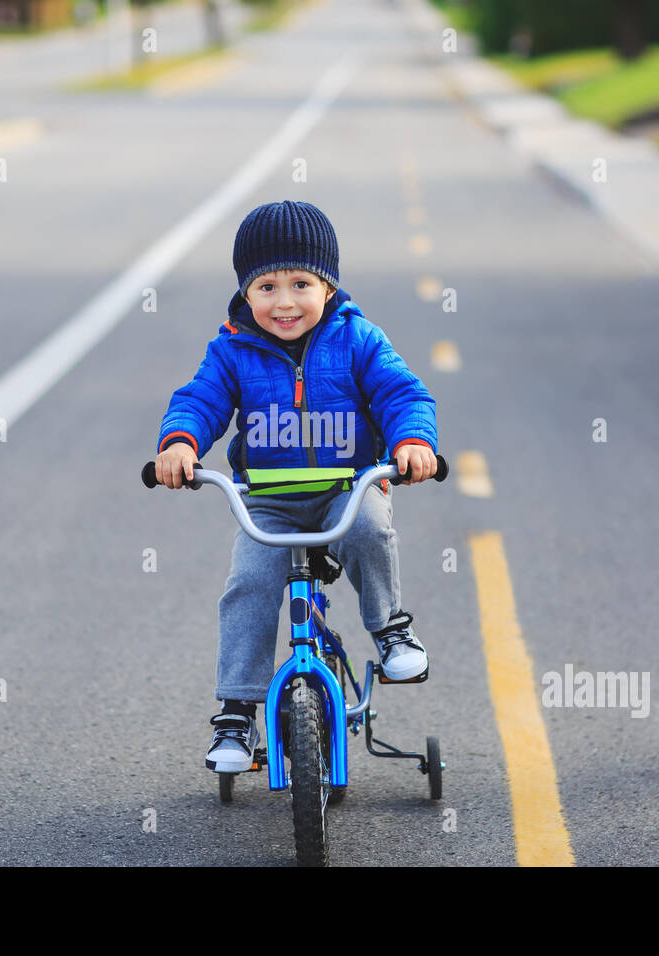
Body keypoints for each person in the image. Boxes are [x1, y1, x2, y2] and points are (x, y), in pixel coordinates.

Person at [152, 200, 440, 773]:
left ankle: (390, 631)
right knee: (249, 586)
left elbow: (402, 394)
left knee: (369, 529)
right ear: (246, 291)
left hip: (345, 488)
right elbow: (200, 400)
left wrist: (412, 442)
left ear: (329, 286)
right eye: (266, 287)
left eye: (301, 283)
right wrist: (181, 443)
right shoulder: (232, 349)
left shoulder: (358, 339)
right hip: (269, 504)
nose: (284, 302)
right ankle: (236, 714)